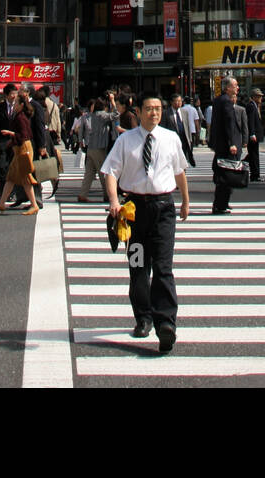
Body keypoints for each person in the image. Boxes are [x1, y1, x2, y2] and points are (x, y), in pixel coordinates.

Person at [102, 91, 190, 354]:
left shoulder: (171, 138)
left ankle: (166, 323)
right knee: (138, 265)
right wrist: (114, 201)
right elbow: (109, 172)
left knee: (163, 266)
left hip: (163, 208)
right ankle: (143, 317)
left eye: (158, 108)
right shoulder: (125, 140)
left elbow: (179, 171)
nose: (154, 112)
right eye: (149, 108)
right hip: (134, 210)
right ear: (138, 111)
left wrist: (185, 200)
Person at [0, 90, 40, 216]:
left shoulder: (21, 117)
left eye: (17, 102)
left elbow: (24, 135)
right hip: (20, 149)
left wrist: (11, 134)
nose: (14, 104)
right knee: (11, 177)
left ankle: (34, 205)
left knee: (25, 178)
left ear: (22, 105)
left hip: (23, 149)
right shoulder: (19, 115)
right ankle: (2, 203)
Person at [208, 76, 247, 215]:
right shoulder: (227, 102)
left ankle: (221, 203)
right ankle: (220, 205)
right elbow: (228, 124)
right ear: (227, 88)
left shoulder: (218, 100)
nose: (237, 88)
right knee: (227, 175)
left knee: (222, 174)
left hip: (220, 144)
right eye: (235, 85)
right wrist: (232, 143)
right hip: (227, 145)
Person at [77, 98, 118, 201]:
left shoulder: (93, 115)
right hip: (99, 148)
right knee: (103, 173)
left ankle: (83, 194)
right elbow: (116, 114)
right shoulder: (101, 115)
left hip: (91, 147)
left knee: (89, 173)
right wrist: (113, 103)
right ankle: (108, 195)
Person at [0, 83, 21, 197]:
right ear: (6, 95)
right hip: (2, 141)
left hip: (15, 141)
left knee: (14, 167)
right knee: (1, 167)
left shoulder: (19, 107)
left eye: (15, 93)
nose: (14, 96)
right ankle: (2, 189)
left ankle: (11, 192)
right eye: (11, 94)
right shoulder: (0, 107)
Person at [161, 94, 196, 168]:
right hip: (171, 141)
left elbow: (187, 126)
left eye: (180, 101)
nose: (178, 103)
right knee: (174, 161)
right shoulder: (166, 113)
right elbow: (163, 127)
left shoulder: (184, 112)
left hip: (184, 140)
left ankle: (183, 173)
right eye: (176, 101)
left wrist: (190, 139)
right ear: (171, 102)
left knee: (183, 161)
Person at [245, 88, 265, 182]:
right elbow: (251, 121)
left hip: (255, 134)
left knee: (253, 154)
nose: (261, 98)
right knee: (254, 155)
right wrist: (252, 133)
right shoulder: (251, 106)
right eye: (259, 96)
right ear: (254, 97)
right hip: (253, 135)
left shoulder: (255, 105)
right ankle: (255, 175)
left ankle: (255, 174)